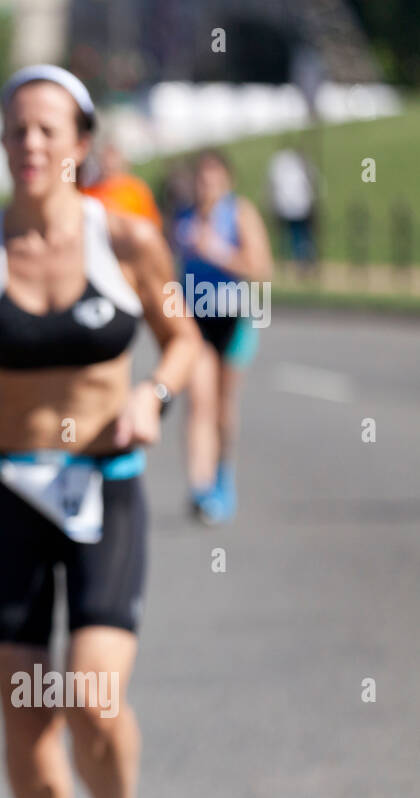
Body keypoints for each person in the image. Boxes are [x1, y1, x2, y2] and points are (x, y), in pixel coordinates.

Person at [0, 65, 199, 798]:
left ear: (81, 143)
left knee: (93, 696)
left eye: (47, 129)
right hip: (12, 495)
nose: (31, 143)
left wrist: (152, 400)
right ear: (1, 143)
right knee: (28, 722)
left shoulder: (126, 238)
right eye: (16, 129)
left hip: (108, 487)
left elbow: (184, 343)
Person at [171, 149, 273, 525]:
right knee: (199, 402)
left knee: (224, 405)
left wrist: (217, 251)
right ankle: (199, 488)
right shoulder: (181, 218)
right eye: (201, 179)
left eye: (214, 180)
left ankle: (222, 475)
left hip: (234, 319)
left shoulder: (239, 214)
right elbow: (167, 269)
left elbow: (262, 270)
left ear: (226, 181)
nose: (206, 187)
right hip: (195, 321)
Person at [80, 140, 162, 229]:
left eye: (113, 158)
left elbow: (152, 224)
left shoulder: (136, 190)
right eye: (105, 158)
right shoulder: (88, 193)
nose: (108, 163)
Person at [266, 145, 317, 274]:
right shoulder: (301, 164)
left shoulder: (279, 164)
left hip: (289, 208)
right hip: (299, 208)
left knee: (295, 237)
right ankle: (300, 262)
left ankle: (298, 262)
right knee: (299, 237)